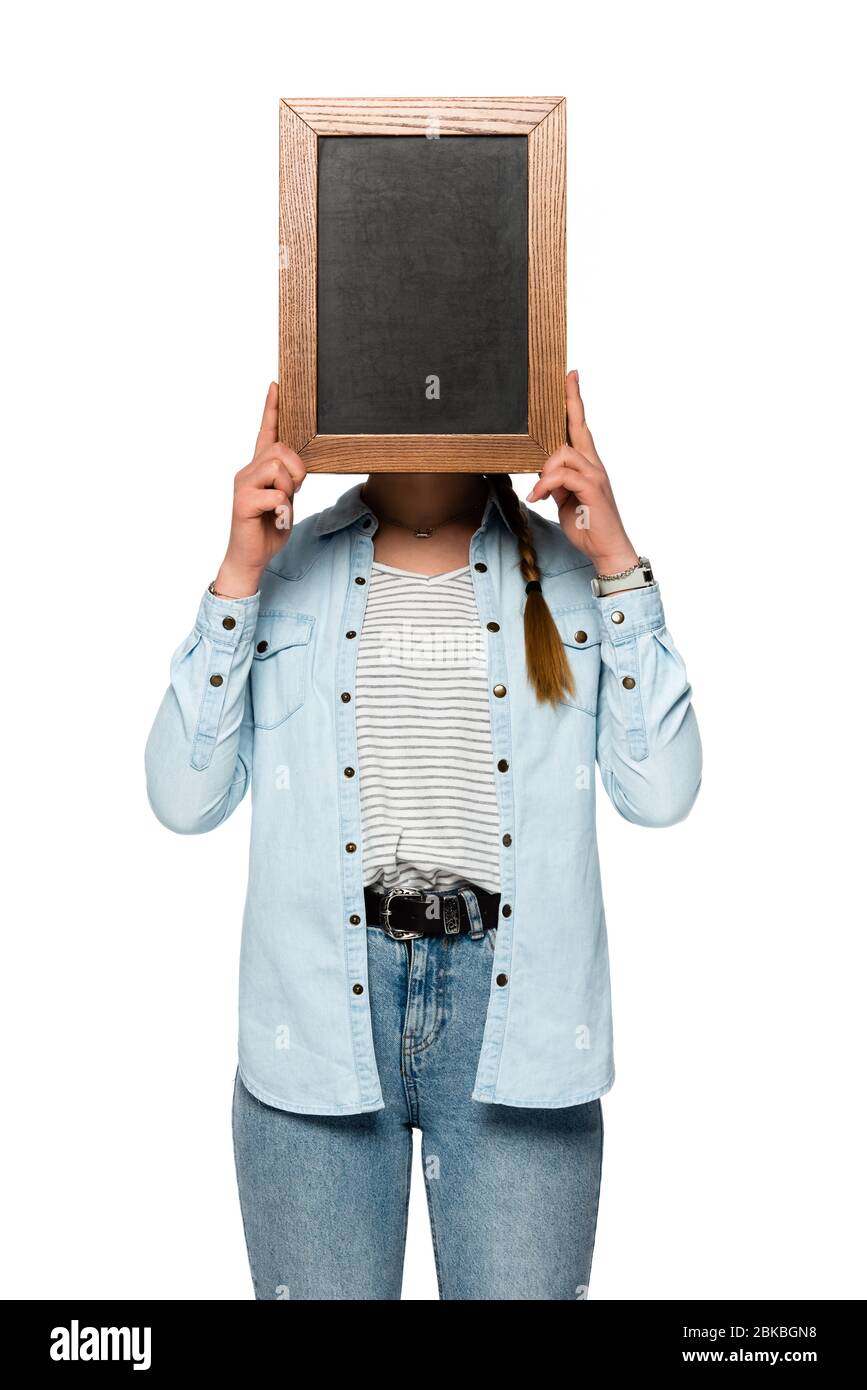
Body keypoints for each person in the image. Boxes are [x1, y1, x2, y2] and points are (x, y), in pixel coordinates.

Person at [145, 371, 702, 1300]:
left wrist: (617, 564)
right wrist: (237, 574)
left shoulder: (569, 578)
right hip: (320, 1010)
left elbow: (662, 792)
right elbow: (181, 797)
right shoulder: (286, 571)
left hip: (516, 1018)